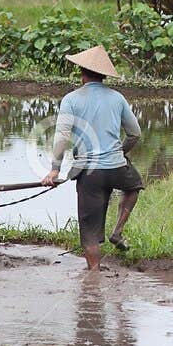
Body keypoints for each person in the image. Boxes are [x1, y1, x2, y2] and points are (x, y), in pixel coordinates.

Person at [41, 45, 143, 272]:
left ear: (82, 73)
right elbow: (134, 133)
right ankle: (117, 231)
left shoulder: (71, 100)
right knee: (134, 185)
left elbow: (62, 136)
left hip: (89, 173)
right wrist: (121, 152)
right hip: (117, 167)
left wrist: (55, 169)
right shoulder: (117, 98)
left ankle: (94, 275)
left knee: (89, 230)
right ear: (104, 75)